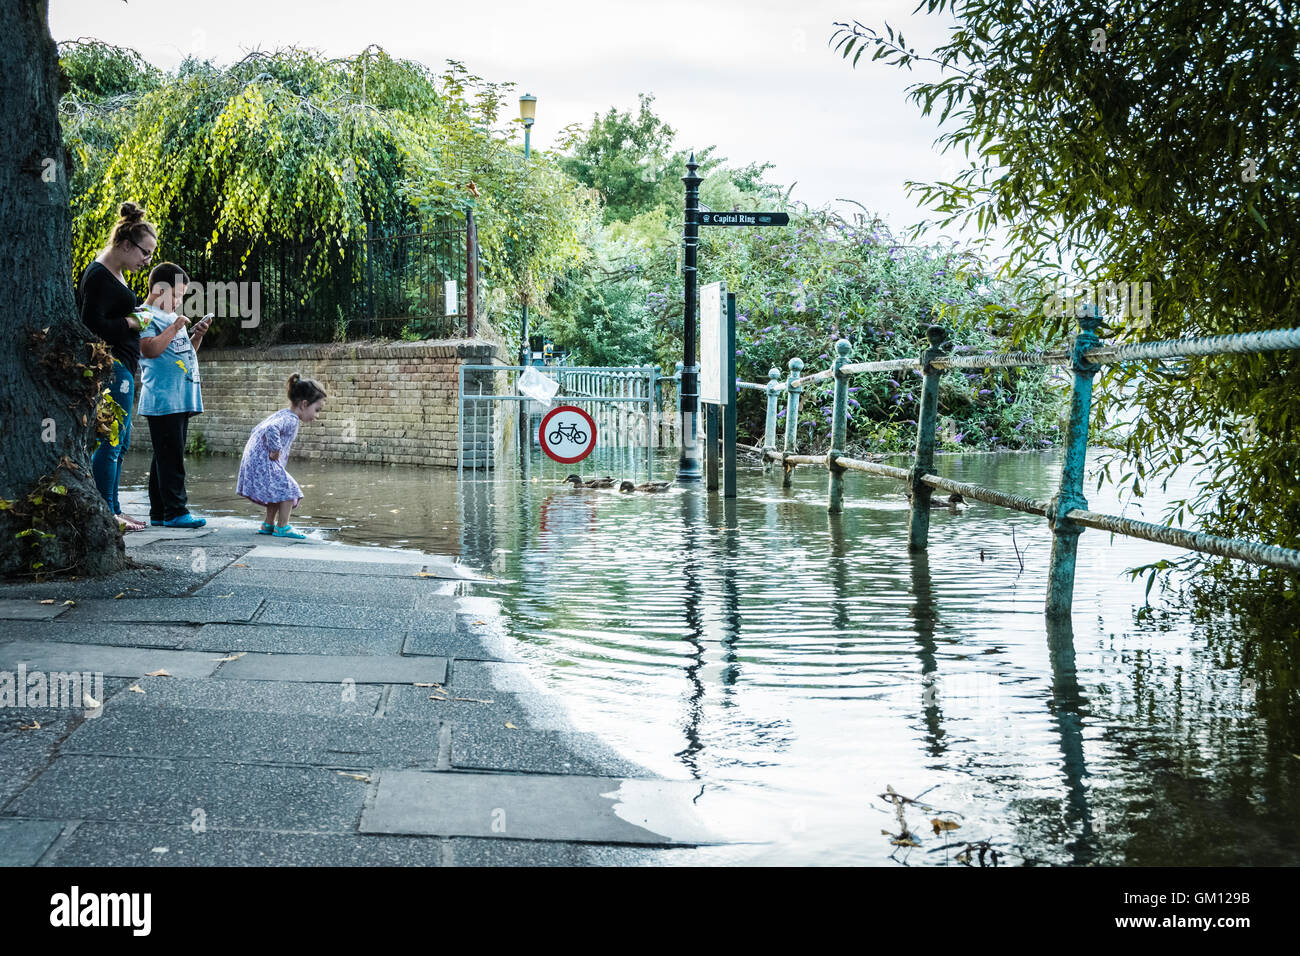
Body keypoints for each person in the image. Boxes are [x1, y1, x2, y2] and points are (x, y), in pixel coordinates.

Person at [79, 201, 157, 531]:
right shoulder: (98, 275)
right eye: (145, 252)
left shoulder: (116, 273)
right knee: (109, 441)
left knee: (119, 442)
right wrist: (131, 323)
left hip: (123, 367)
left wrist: (136, 315)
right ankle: (106, 513)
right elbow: (89, 324)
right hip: (112, 368)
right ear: (125, 244)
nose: (147, 261)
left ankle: (113, 509)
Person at [137, 262, 212, 528]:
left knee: (164, 455)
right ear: (159, 290)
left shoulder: (171, 319)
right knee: (172, 458)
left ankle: (159, 513)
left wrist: (197, 336)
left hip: (180, 398)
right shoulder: (144, 315)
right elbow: (149, 350)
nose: (180, 301)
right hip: (163, 399)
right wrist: (175, 325)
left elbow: (181, 354)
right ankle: (176, 511)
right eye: (177, 295)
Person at [236, 374, 327, 539]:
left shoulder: (283, 414)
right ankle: (283, 527)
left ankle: (268, 524)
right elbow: (271, 429)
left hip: (254, 460)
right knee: (290, 490)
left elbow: (257, 428)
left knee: (276, 491)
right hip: (264, 461)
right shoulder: (291, 420)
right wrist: (275, 450)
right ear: (304, 404)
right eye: (317, 410)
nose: (317, 416)